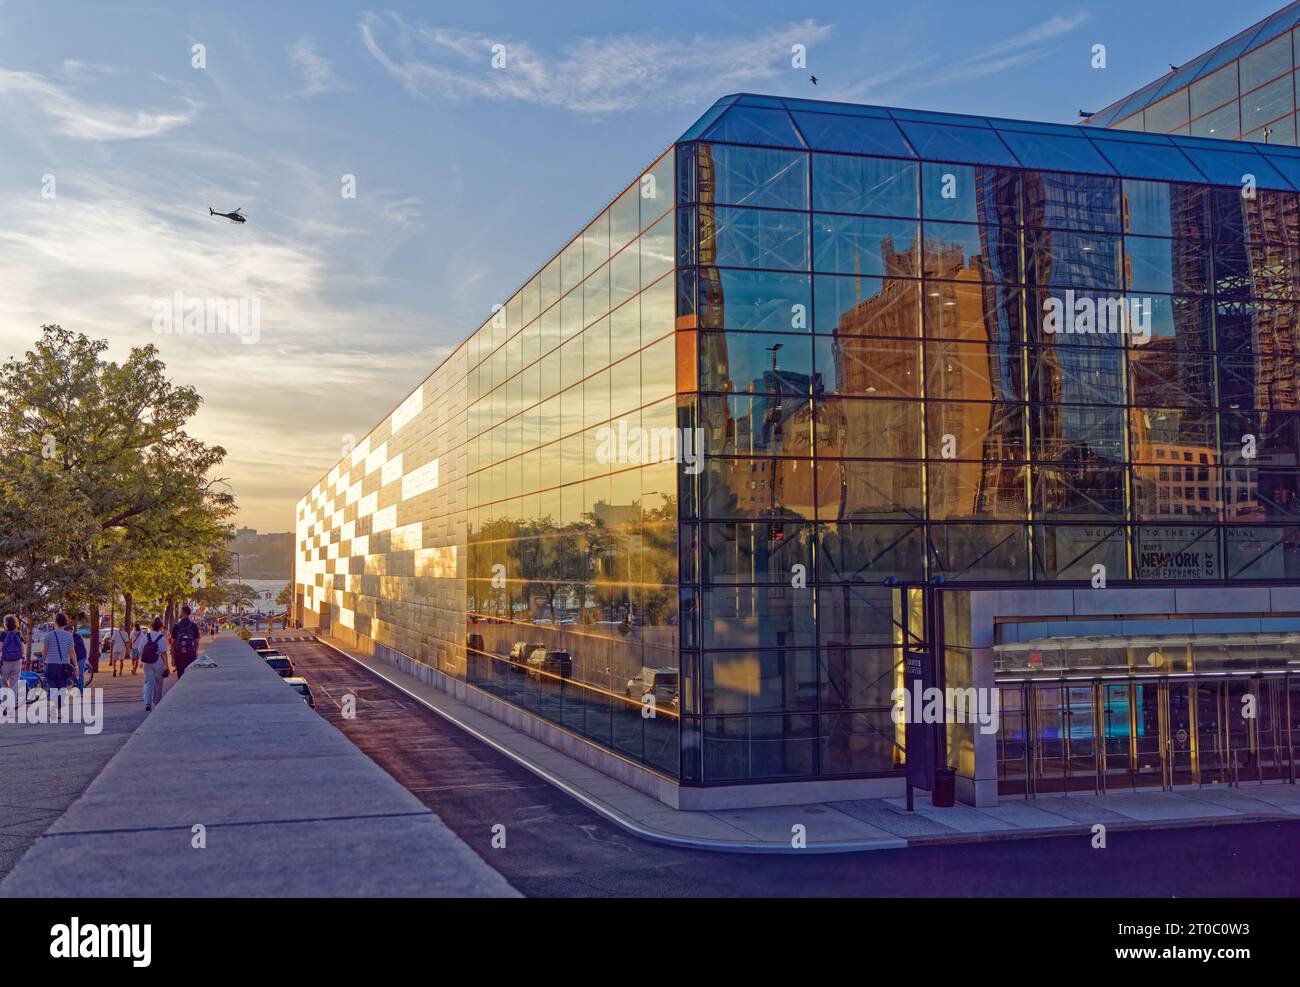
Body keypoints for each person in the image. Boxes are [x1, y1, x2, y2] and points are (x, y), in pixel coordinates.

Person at [42, 613, 76, 715]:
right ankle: (59, 713)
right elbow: (72, 652)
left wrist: (44, 660)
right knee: (61, 688)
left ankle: (51, 710)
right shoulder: (69, 636)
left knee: (52, 688)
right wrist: (76, 665)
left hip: (51, 665)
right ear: (65, 624)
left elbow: (44, 651)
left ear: (55, 622)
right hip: (64, 666)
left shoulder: (48, 635)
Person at [140, 617, 169, 711]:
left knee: (148, 682)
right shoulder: (162, 638)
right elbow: (164, 653)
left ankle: (147, 702)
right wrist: (166, 666)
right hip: (158, 663)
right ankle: (157, 701)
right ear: (161, 627)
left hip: (147, 663)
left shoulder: (146, 636)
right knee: (158, 683)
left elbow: (141, 650)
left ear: (151, 626)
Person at [171, 605, 201, 679]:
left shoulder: (176, 626)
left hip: (179, 654)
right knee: (190, 676)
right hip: (190, 654)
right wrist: (195, 652)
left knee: (180, 675)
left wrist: (172, 657)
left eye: (180, 611)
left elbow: (173, 643)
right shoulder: (193, 625)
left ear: (183, 613)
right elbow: (197, 641)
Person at [0, 614, 23, 693]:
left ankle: (7, 700)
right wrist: (20, 657)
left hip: (5, 662)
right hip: (16, 661)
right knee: (14, 683)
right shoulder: (18, 633)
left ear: (5, 623)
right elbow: (22, 649)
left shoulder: (3, 634)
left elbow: (0, 648)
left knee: (4, 680)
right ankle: (13, 701)